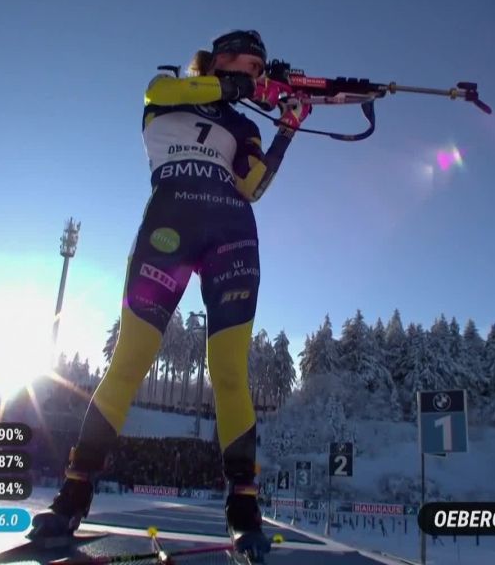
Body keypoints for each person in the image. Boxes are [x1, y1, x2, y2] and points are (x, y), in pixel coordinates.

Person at [28, 30, 310, 561]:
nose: (252, 75)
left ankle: (243, 510)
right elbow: (156, 97)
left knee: (228, 370)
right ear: (218, 60)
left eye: (258, 69)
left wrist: (287, 130)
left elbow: (252, 184)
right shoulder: (168, 88)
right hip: (168, 227)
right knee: (130, 360)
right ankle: (73, 495)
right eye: (245, 65)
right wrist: (224, 87)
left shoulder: (244, 122)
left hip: (232, 233)